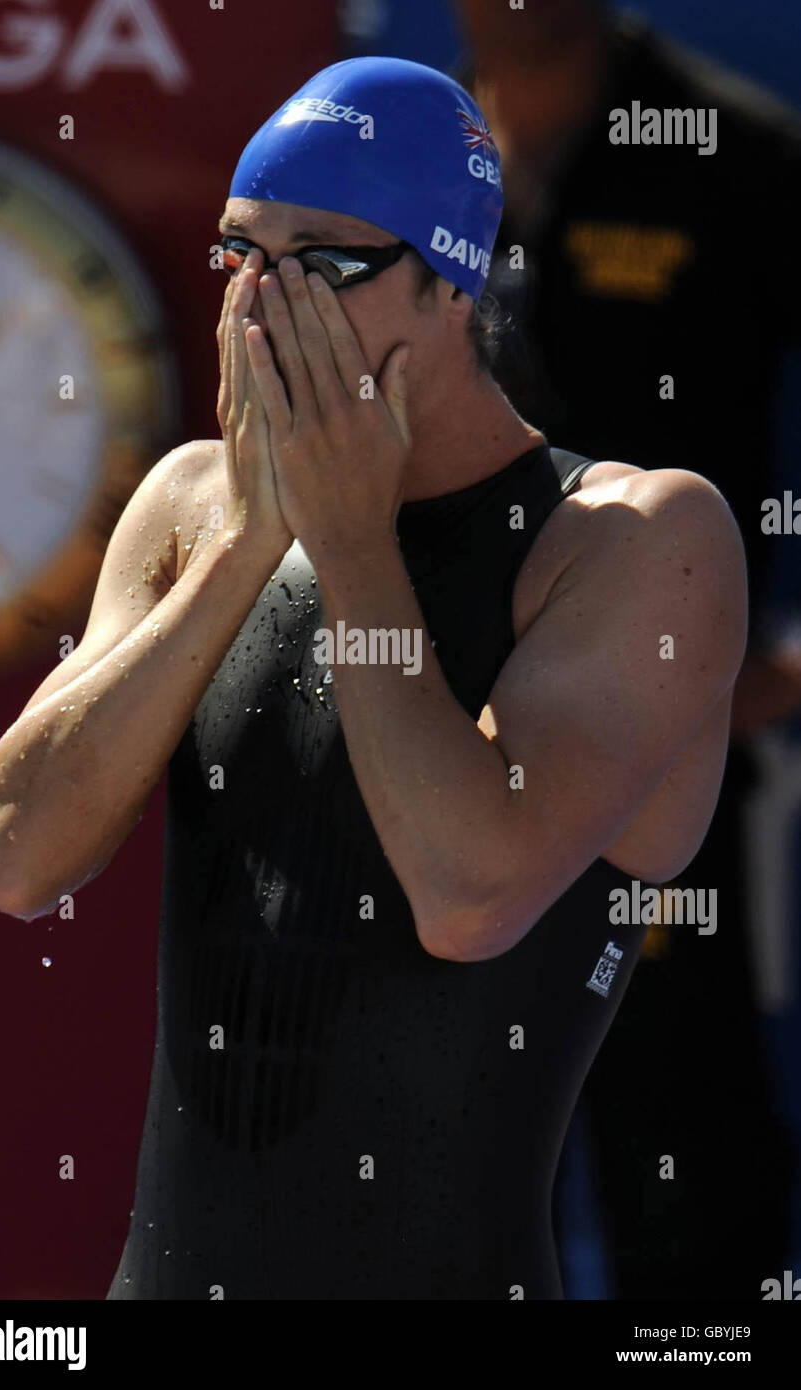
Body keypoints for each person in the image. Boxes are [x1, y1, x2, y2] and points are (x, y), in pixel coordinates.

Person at [0, 57, 746, 1300]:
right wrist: (241, 549)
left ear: (451, 281)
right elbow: (13, 855)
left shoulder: (633, 543)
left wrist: (348, 544)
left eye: (322, 265)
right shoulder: (192, 507)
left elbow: (469, 894)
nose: (263, 307)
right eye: (241, 258)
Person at [454, 0, 801, 1297]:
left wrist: (778, 666)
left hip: (666, 777)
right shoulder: (400, 147)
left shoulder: (737, 152)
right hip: (436, 758)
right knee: (445, 1171)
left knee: (687, 1187)